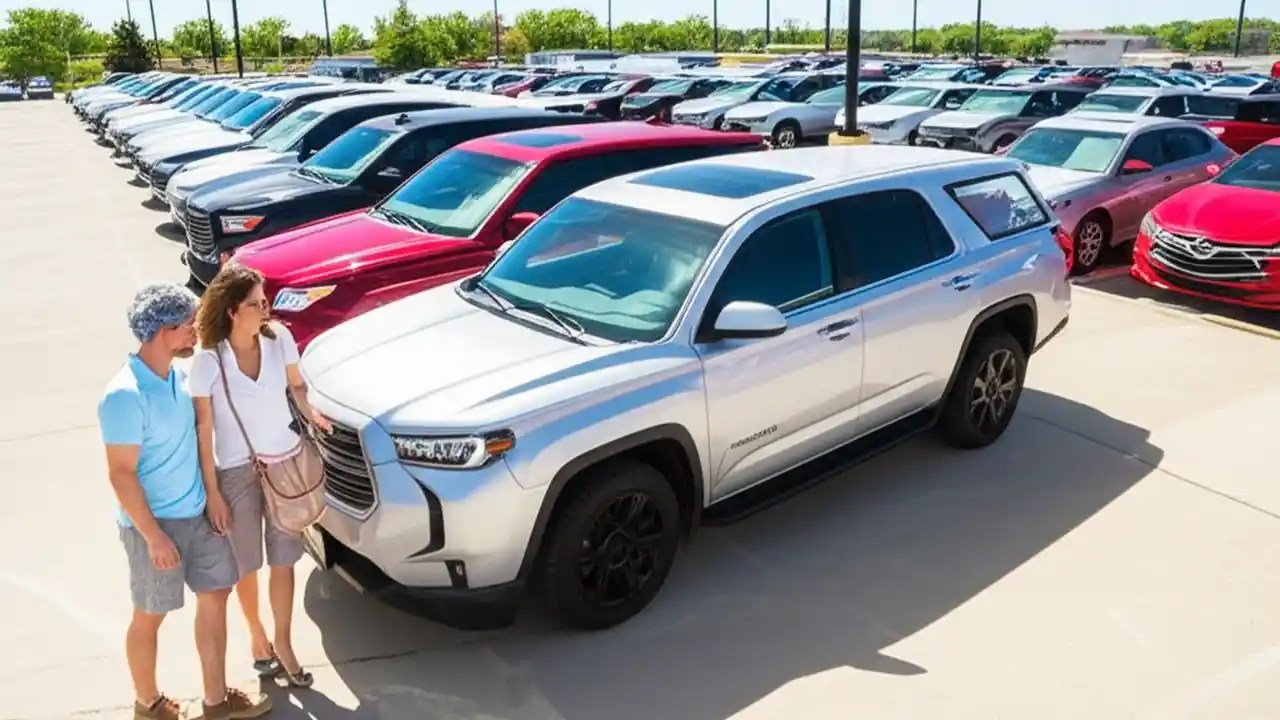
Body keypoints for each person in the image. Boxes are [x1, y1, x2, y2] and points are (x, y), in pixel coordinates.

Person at [99, 283, 272, 720]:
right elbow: (120, 474)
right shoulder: (124, 396)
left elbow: (198, 442)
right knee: (150, 615)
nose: (195, 332)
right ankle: (149, 704)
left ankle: (215, 702)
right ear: (162, 331)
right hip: (154, 527)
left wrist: (212, 497)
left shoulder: (178, 378)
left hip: (198, 514)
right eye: (188, 326)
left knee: (216, 594)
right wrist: (154, 537)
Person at [189, 264, 331, 689]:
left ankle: (284, 643)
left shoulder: (279, 339)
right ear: (233, 311)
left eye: (265, 301)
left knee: (285, 560)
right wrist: (212, 491)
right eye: (256, 304)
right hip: (236, 473)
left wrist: (311, 413)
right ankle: (258, 638)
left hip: (286, 462)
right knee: (246, 564)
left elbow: (297, 388)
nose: (265, 310)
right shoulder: (207, 360)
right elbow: (204, 429)